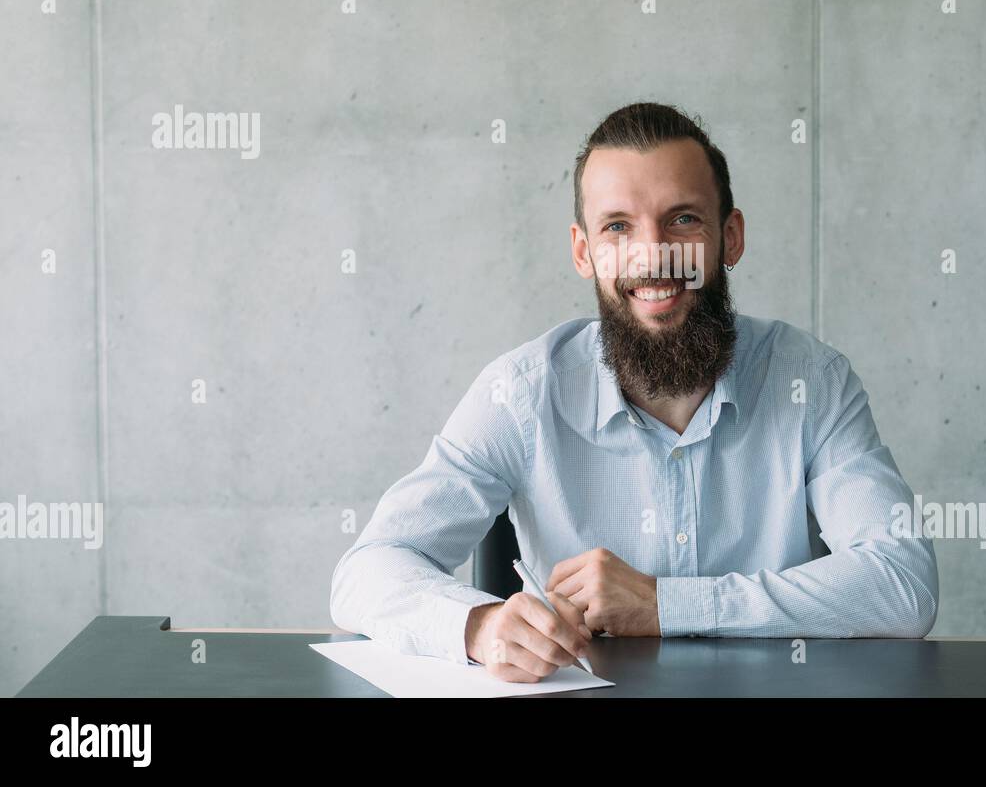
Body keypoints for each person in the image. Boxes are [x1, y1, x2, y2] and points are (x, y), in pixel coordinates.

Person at [329, 102, 938, 682]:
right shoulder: (519, 395)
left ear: (731, 237)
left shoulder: (814, 382)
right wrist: (481, 627)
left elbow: (903, 583)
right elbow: (367, 569)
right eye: (618, 227)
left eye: (682, 219)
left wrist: (664, 605)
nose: (653, 257)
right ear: (583, 251)